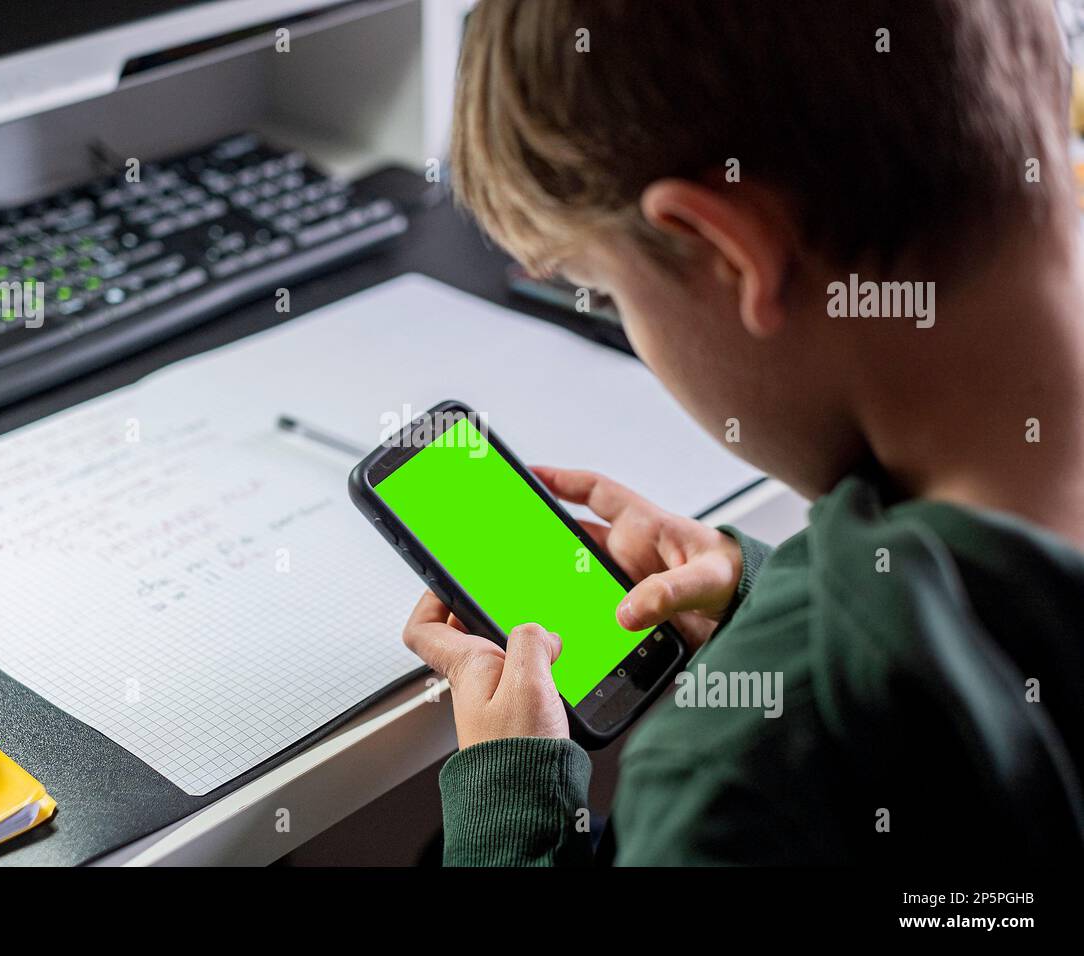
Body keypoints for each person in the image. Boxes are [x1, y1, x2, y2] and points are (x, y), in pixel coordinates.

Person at [401, 0, 1084, 864]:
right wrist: (768, 596)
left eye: (604, 290)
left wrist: (513, 797)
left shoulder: (738, 775)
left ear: (729, 251)